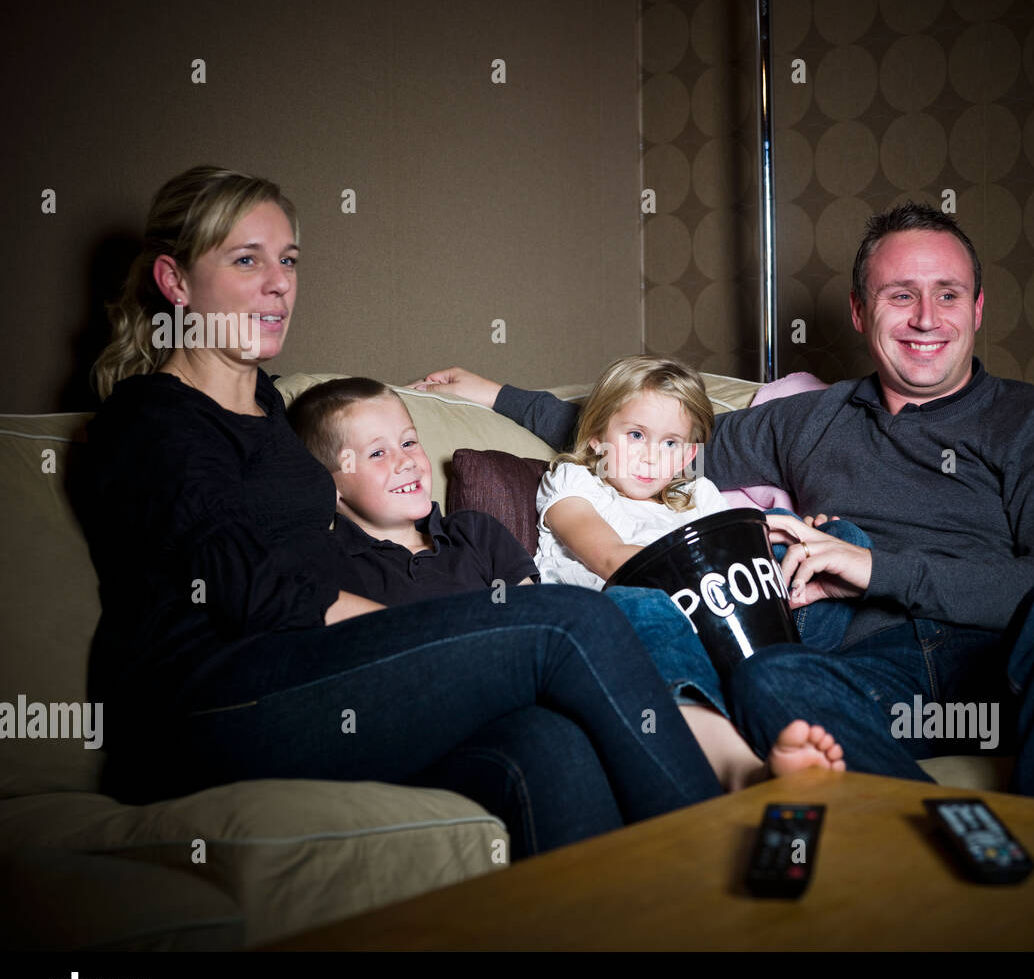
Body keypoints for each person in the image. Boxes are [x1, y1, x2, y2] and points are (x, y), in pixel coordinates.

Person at [418, 201, 1034, 816]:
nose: (924, 317)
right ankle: (948, 852)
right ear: (858, 310)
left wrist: (878, 567)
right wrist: (494, 396)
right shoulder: (810, 420)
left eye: (947, 294)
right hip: (871, 676)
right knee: (769, 679)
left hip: (1007, 663)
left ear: (977, 308)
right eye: (898, 295)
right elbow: (647, 444)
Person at [81, 165, 730, 861]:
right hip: (202, 709)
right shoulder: (151, 419)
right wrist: (454, 631)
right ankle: (724, 867)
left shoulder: (270, 411)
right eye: (247, 259)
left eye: (289, 260)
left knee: (548, 744)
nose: (279, 283)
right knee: (570, 622)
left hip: (301, 675)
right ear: (175, 283)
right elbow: (260, 592)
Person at [286, 372, 846, 792]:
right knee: (635, 605)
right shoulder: (325, 558)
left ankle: (803, 722)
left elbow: (537, 618)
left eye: (410, 442)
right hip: (457, 683)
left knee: (841, 544)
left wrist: (781, 543)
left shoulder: (472, 534)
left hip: (546, 668)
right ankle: (743, 766)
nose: (408, 461)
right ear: (324, 484)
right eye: (378, 453)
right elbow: (603, 567)